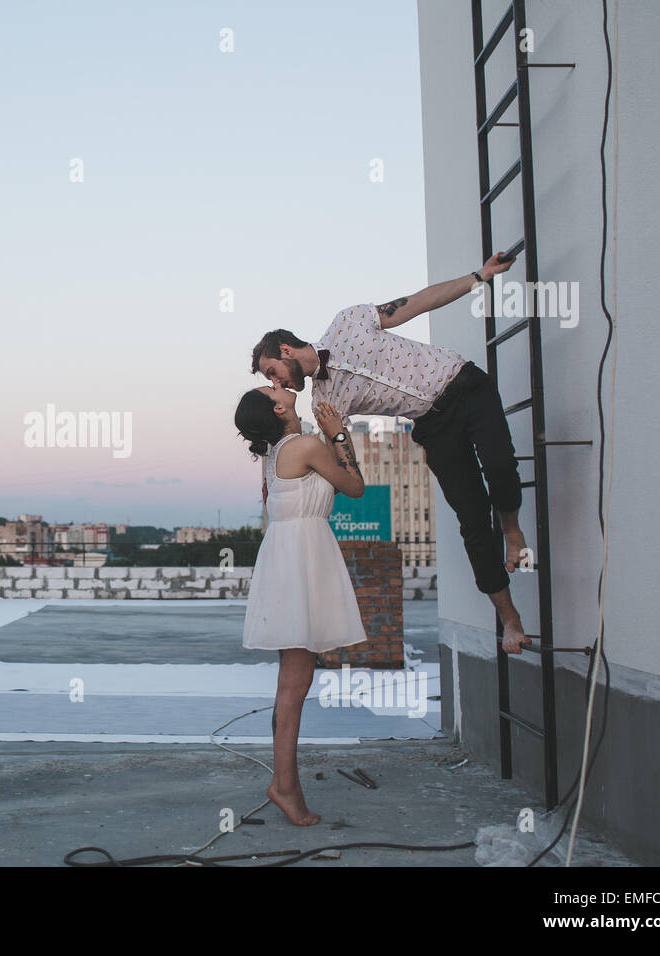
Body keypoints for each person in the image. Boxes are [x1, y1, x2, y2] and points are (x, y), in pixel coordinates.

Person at [250, 252, 534, 656]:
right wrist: (292, 457)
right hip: (434, 426)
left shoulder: (348, 321)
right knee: (470, 518)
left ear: (286, 350)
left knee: (501, 465)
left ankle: (511, 527)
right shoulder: (322, 402)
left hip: (465, 385)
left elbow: (417, 302)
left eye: (272, 372)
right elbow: (341, 462)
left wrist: (479, 276)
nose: (277, 382)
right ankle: (510, 619)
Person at [234, 387, 366, 827]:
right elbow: (354, 486)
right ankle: (284, 786)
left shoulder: (275, 454)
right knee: (295, 683)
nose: (278, 383)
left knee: (294, 680)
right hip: (303, 557)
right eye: (271, 386)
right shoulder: (306, 445)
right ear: (278, 408)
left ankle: (285, 783)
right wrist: (339, 435)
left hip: (286, 555)